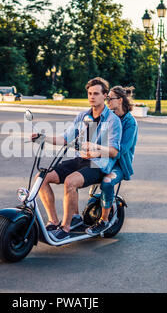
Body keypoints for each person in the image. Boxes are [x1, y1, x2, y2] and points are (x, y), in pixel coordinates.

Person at [31, 77, 122, 242]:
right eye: (89, 93)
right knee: (41, 178)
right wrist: (42, 138)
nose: (92, 97)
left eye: (96, 93)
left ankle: (65, 229)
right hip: (80, 160)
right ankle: (53, 222)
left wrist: (95, 150)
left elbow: (114, 151)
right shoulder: (82, 116)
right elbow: (65, 139)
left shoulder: (112, 120)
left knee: (70, 182)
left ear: (105, 95)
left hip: (98, 164)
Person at [84, 86, 138, 236]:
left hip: (119, 165)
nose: (107, 101)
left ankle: (104, 220)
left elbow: (121, 150)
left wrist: (97, 151)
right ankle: (76, 218)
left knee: (107, 183)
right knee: (75, 175)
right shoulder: (109, 117)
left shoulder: (130, 123)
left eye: (110, 98)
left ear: (120, 100)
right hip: (103, 159)